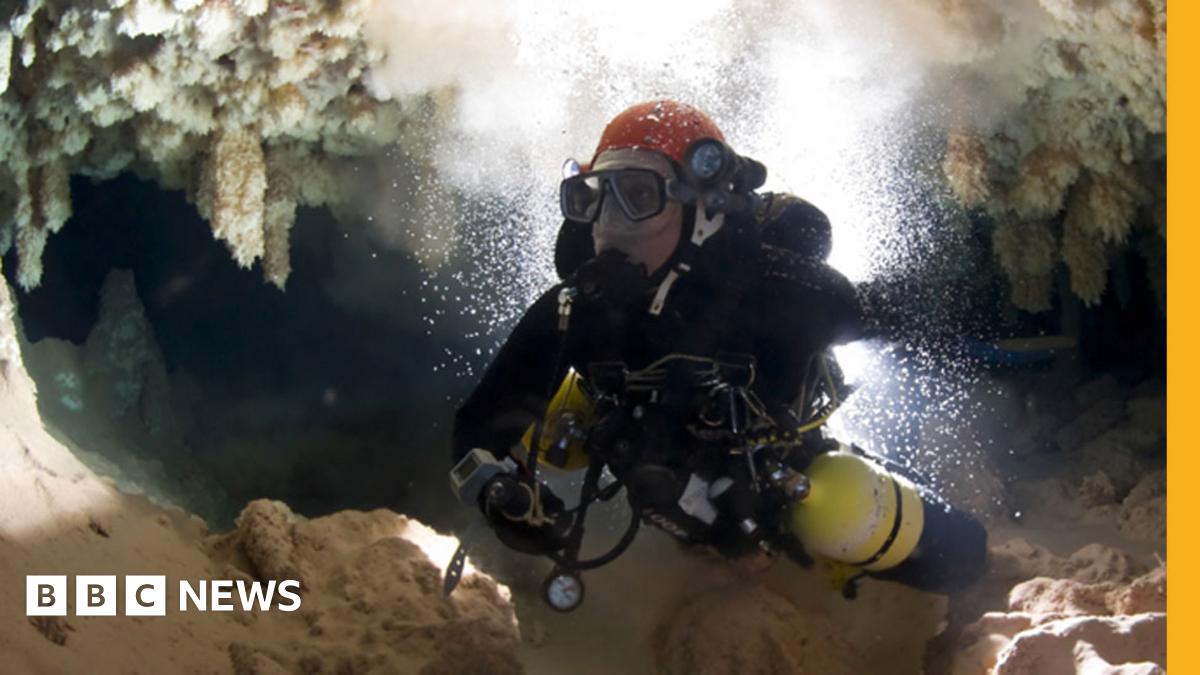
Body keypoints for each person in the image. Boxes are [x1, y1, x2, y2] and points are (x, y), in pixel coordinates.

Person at [449, 100, 986, 606]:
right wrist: (500, 497)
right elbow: (479, 426)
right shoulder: (573, 310)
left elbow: (884, 311)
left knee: (903, 536)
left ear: (702, 209)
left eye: (639, 196)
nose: (609, 224)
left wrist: (955, 302)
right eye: (595, 197)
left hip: (781, 479)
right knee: (561, 430)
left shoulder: (786, 293)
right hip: (658, 475)